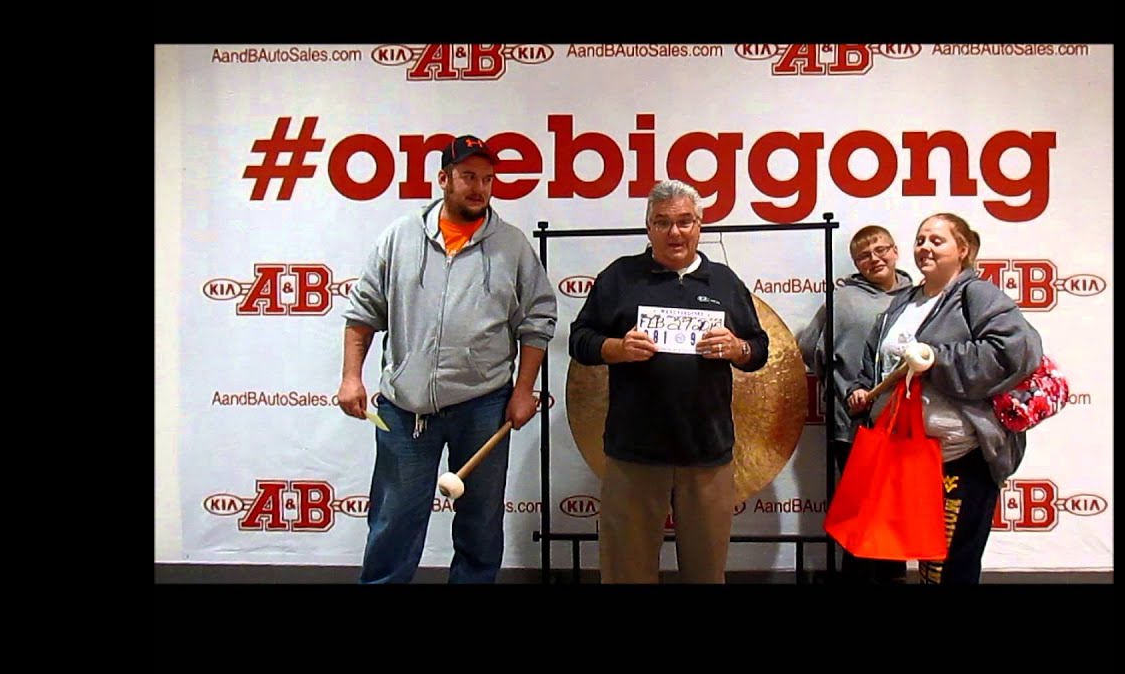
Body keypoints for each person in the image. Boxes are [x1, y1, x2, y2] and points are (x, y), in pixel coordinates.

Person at [338, 134, 558, 584]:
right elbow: (362, 313)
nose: (479, 188)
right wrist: (351, 378)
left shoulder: (512, 245)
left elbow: (537, 320)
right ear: (443, 179)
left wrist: (523, 391)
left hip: (484, 407)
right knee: (393, 521)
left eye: (487, 179)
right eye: (468, 177)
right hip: (405, 409)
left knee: (480, 526)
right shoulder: (399, 238)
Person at [568, 180, 769, 584]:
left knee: (706, 574)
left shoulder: (725, 282)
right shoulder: (620, 277)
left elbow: (760, 348)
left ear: (700, 225)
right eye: (662, 223)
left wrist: (737, 349)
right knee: (626, 572)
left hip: (706, 454)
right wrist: (616, 348)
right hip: (634, 454)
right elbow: (580, 339)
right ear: (648, 227)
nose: (674, 232)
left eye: (683, 222)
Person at [845, 213, 1042, 584]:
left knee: (950, 568)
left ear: (962, 249)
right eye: (921, 240)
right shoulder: (902, 302)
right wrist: (860, 391)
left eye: (937, 241)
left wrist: (938, 358)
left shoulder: (977, 293)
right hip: (904, 455)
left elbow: (1016, 351)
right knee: (917, 562)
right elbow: (877, 361)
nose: (925, 248)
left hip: (960, 458)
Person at [797, 225, 913, 585]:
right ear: (856, 264)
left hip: (905, 424)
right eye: (864, 256)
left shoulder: (919, 298)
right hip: (855, 424)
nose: (874, 259)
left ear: (895, 251)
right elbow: (809, 345)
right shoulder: (842, 299)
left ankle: (893, 578)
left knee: (897, 514)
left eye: (881, 250)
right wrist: (843, 388)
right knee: (862, 516)